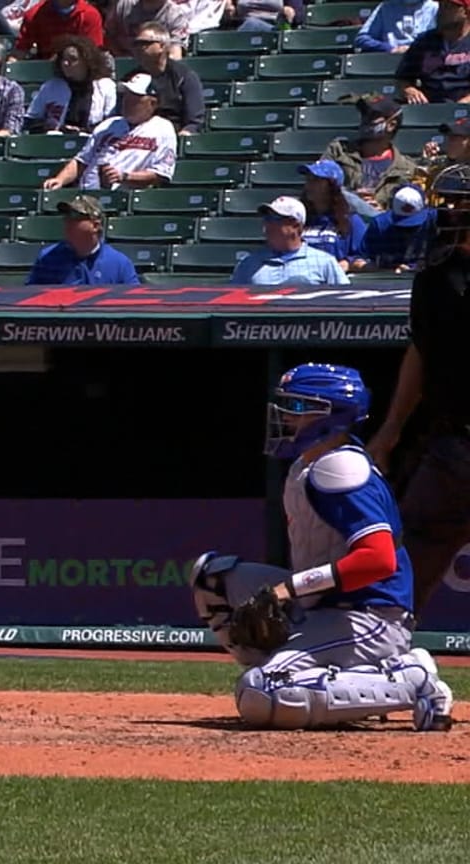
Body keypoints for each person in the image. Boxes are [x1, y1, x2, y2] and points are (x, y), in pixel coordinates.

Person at [188, 363, 453, 731]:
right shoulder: (309, 464)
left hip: (369, 616)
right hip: (322, 606)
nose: (284, 415)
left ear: (331, 415)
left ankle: (411, 679)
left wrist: (289, 588)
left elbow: (378, 560)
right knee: (212, 577)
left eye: (297, 407)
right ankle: (295, 672)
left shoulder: (342, 469)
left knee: (260, 693)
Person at [367, 163, 470, 617]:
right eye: (446, 204)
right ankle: (384, 649)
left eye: (460, 205)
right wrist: (390, 431)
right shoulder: (436, 276)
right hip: (453, 445)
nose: (450, 213)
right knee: (409, 559)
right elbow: (421, 352)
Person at [42, 73, 177, 191]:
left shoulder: (162, 129)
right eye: (126, 95)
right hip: (87, 194)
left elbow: (161, 174)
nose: (127, 101)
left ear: (153, 103)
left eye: (135, 98)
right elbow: (82, 160)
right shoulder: (109, 125)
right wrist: (60, 179)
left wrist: (125, 176)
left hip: (124, 198)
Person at [320, 95, 419, 218]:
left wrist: (384, 213)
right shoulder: (339, 151)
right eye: (364, 115)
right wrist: (352, 200)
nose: (365, 120)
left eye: (372, 116)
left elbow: (408, 212)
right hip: (341, 221)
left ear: (391, 125)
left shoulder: (407, 169)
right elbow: (316, 188)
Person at [230, 196, 351, 285]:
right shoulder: (249, 264)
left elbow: (346, 301)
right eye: (266, 218)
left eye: (275, 219)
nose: (267, 225)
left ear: (296, 225)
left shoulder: (324, 262)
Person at [26, 196, 139, 285]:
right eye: (66, 216)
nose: (68, 222)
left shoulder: (119, 264)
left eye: (76, 217)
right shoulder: (49, 258)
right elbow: (30, 297)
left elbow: (135, 301)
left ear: (95, 225)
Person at [22, 35, 116, 135]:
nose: (65, 63)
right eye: (63, 59)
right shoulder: (51, 86)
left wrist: (84, 131)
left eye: (73, 59)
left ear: (87, 61)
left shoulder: (106, 86)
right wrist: (53, 128)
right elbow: (31, 120)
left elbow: (111, 123)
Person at [298, 160, 370, 272]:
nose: (309, 185)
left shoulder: (351, 221)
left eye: (316, 180)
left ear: (332, 186)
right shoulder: (299, 219)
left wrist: (348, 262)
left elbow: (366, 256)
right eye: (308, 179)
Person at [396, 0, 470, 105]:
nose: (441, 12)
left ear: (465, 12)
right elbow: (403, 79)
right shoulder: (424, 41)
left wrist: (465, 102)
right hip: (429, 106)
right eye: (440, 6)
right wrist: (409, 90)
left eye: (447, 7)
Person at [356, 0, 438, 53]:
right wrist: (390, 49)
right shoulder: (386, 7)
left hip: (423, 64)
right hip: (390, 62)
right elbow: (362, 39)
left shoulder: (434, 8)